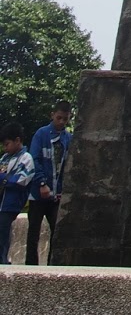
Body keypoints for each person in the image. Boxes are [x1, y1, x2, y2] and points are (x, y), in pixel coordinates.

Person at [25, 102, 72, 264]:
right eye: (59, 118)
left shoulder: (68, 138)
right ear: (52, 115)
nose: (61, 122)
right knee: (33, 233)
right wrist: (41, 183)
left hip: (56, 194)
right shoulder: (42, 134)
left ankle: (52, 265)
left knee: (57, 233)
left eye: (65, 119)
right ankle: (31, 266)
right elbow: (34, 159)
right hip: (39, 193)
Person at [0, 124, 37, 265]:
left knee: (2, 233)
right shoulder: (5, 158)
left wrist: (3, 179)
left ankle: (3, 262)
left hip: (11, 203)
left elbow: (21, 180)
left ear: (17, 140)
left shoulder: (26, 158)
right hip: (2, 201)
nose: (5, 148)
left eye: (7, 144)